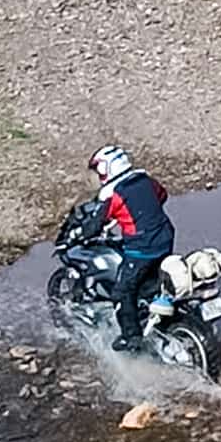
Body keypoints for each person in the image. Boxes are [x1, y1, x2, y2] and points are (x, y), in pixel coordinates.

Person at [80, 145, 175, 352]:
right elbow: (162, 195)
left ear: (106, 169)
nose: (97, 175)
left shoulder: (112, 194)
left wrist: (82, 233)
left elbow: (95, 225)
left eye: (98, 171)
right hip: (165, 238)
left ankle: (131, 338)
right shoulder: (144, 179)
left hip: (142, 248)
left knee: (122, 291)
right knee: (150, 278)